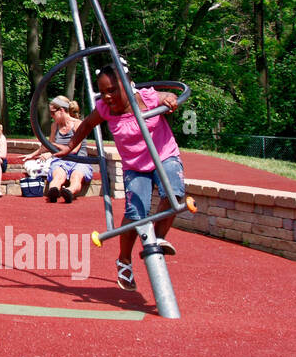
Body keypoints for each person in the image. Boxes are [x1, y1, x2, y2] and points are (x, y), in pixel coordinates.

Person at [56, 64, 183, 291]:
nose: (107, 96)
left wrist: (171, 100)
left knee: (174, 195)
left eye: (112, 90)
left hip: (163, 155)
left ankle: (158, 237)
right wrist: (70, 147)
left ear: (127, 85)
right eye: (103, 91)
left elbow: (168, 95)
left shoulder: (147, 97)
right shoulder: (105, 108)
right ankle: (124, 260)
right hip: (135, 166)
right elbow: (86, 125)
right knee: (135, 215)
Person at [21, 95, 93, 203]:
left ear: (62, 110)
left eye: (53, 112)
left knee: (76, 177)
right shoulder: (55, 126)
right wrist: (32, 154)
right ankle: (53, 191)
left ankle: (69, 191)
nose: (51, 116)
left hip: (79, 160)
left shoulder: (78, 125)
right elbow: (48, 145)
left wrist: (53, 151)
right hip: (61, 160)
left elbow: (73, 150)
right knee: (58, 176)